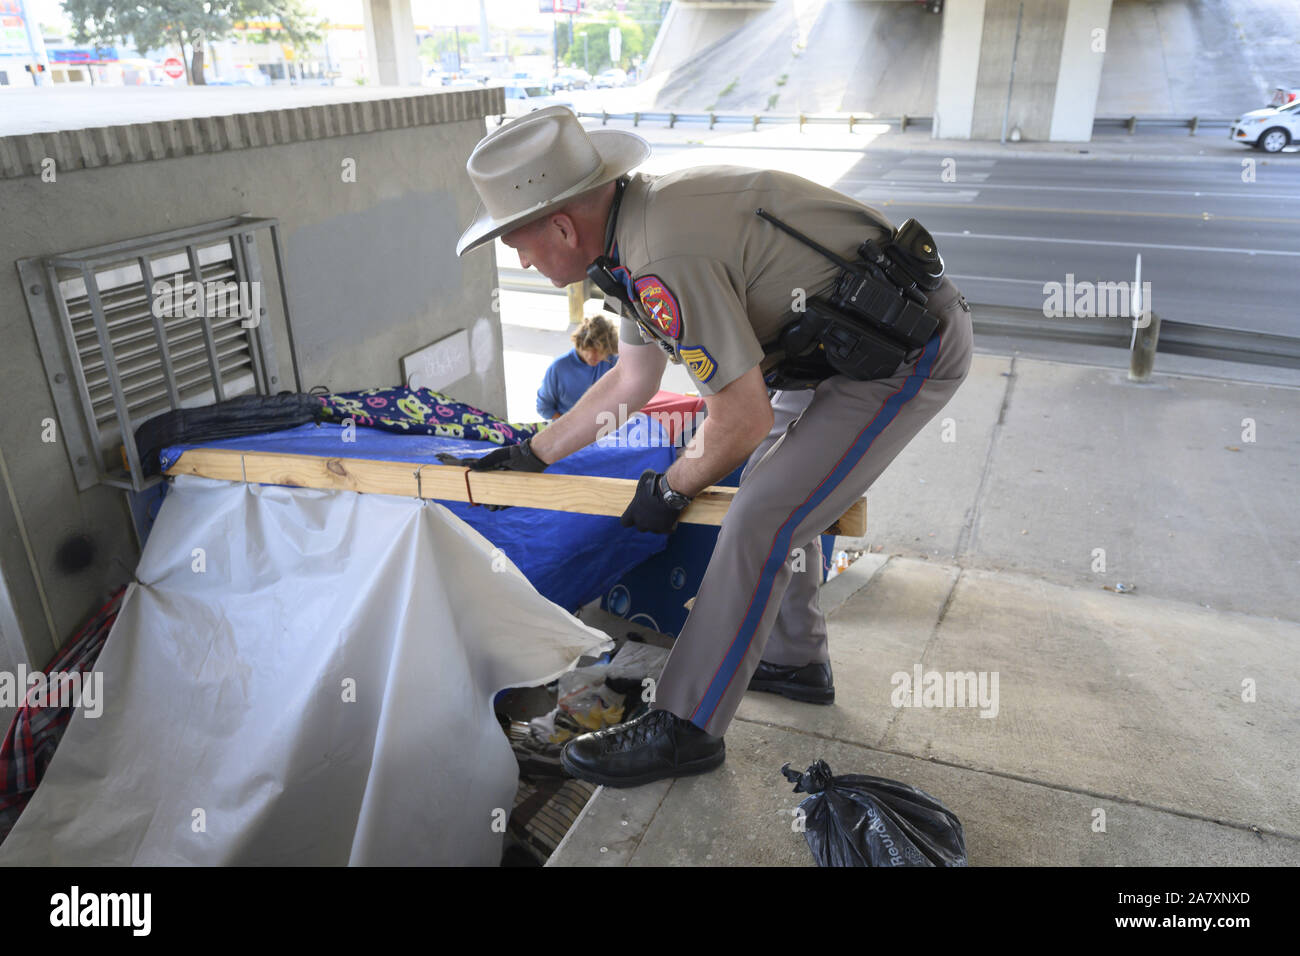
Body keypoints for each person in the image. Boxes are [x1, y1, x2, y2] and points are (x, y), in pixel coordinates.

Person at [451, 106, 973, 788]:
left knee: (761, 510)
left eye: (518, 244)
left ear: (561, 226)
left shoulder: (662, 252)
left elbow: (742, 416)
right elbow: (632, 382)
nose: (521, 259)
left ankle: (687, 726)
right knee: (767, 486)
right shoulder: (627, 237)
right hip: (828, 347)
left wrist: (673, 487)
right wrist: (536, 452)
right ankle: (793, 660)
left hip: (902, 349)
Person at [537, 314, 619, 420]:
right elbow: (544, 407)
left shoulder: (613, 362)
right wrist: (570, 427)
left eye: (600, 351)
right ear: (579, 344)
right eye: (588, 349)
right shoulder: (558, 368)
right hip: (566, 426)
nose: (593, 356)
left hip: (605, 425)